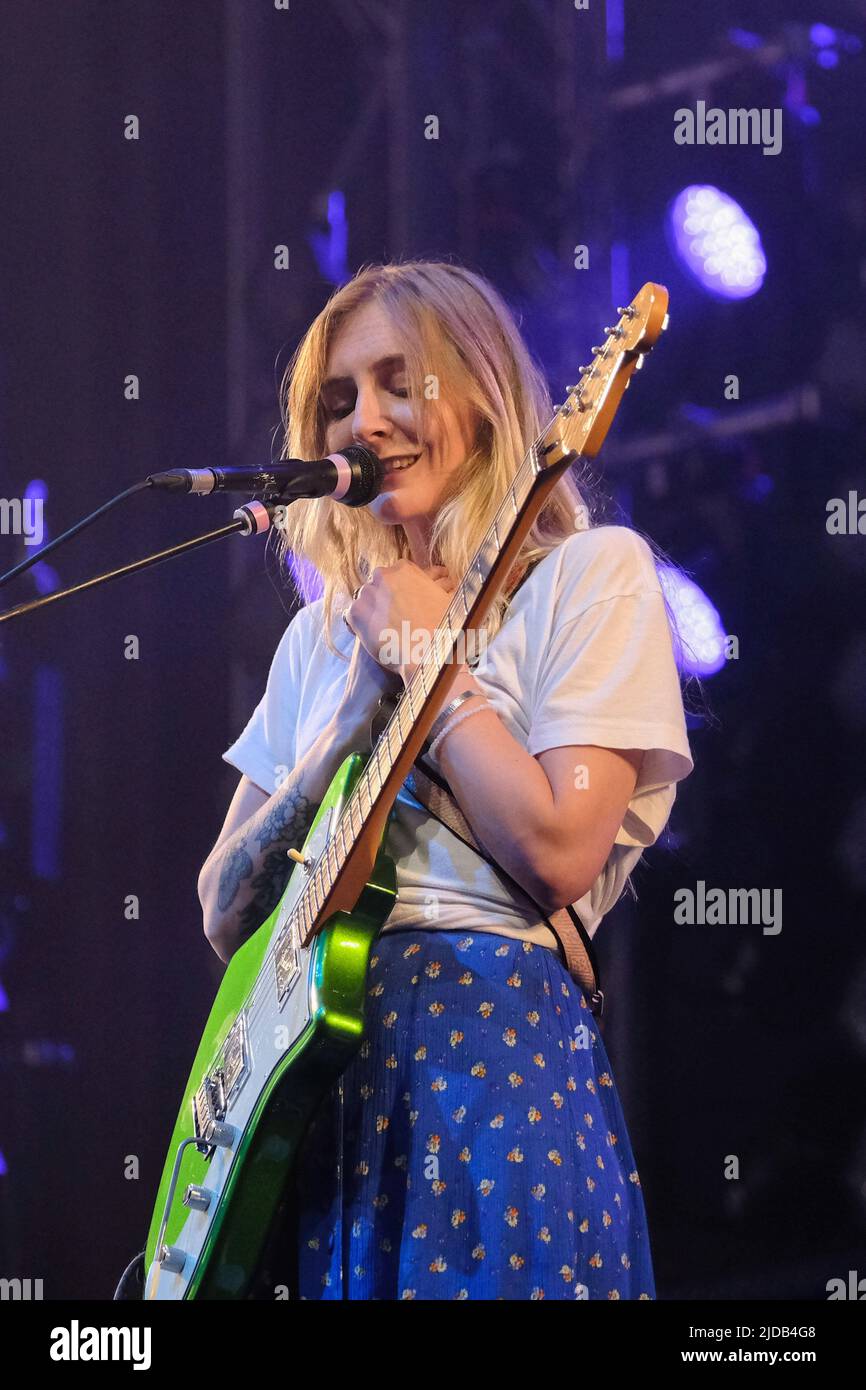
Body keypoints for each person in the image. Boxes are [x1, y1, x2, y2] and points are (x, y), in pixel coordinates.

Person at [197, 259, 694, 1300]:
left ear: (479, 393)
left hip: (491, 1056)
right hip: (313, 1091)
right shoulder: (314, 641)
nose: (365, 420)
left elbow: (558, 853)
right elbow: (222, 907)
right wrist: (346, 724)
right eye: (337, 400)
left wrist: (435, 666)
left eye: (397, 381)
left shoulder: (590, 574)